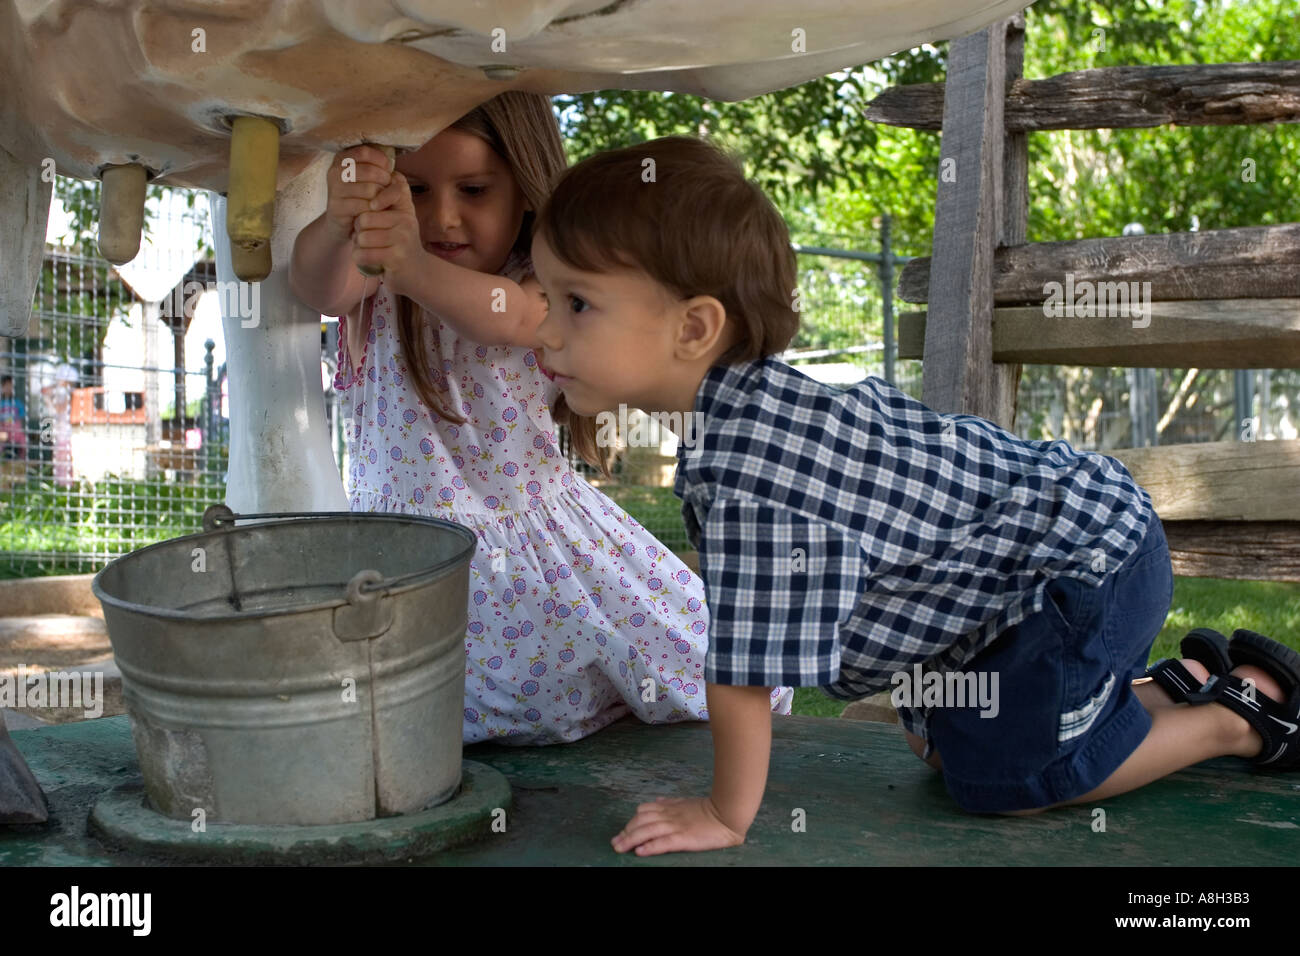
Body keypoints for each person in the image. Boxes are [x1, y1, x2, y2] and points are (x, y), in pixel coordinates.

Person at [526, 134, 1300, 857]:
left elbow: (745, 672)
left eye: (577, 304)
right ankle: (1172, 689)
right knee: (936, 740)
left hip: (1081, 572)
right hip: (1045, 570)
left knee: (1008, 782)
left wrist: (725, 813)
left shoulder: (752, 473)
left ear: (694, 328)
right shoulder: (749, 411)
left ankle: (1235, 719)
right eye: (545, 296)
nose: (544, 331)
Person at [290, 96, 791, 745]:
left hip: (523, 529)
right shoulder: (377, 278)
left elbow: (508, 318)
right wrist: (339, 222)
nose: (442, 215)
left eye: (473, 189)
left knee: (672, 657)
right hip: (399, 541)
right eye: (414, 188)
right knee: (413, 707)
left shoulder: (540, 283)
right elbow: (315, 289)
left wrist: (412, 265)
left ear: (523, 192)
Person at [0, 375, 28, 461]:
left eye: (11, 386)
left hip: (15, 432)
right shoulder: (1, 403)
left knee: (24, 441)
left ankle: (21, 460)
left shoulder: (18, 403)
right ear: (2, 387)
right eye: (6, 386)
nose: (8, 388)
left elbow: (21, 420)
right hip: (3, 431)